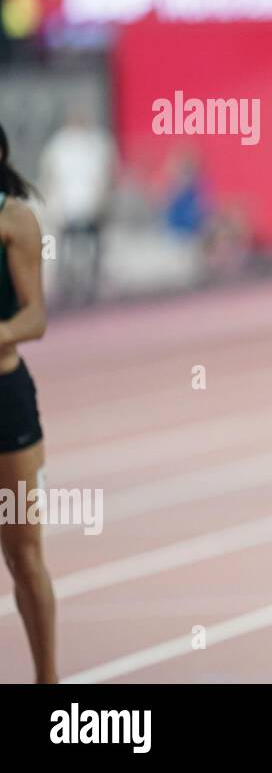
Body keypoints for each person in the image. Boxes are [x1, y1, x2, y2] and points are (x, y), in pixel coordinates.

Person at [0, 121, 54, 683]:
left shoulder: (13, 219)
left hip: (6, 404)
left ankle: (48, 682)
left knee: (23, 554)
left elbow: (34, 317)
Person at [37, 108, 115, 306]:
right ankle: (63, 284)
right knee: (62, 246)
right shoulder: (59, 145)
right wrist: (51, 200)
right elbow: (49, 173)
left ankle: (94, 282)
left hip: (90, 203)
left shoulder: (96, 143)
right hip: (66, 205)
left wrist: (103, 197)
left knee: (95, 246)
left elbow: (106, 173)